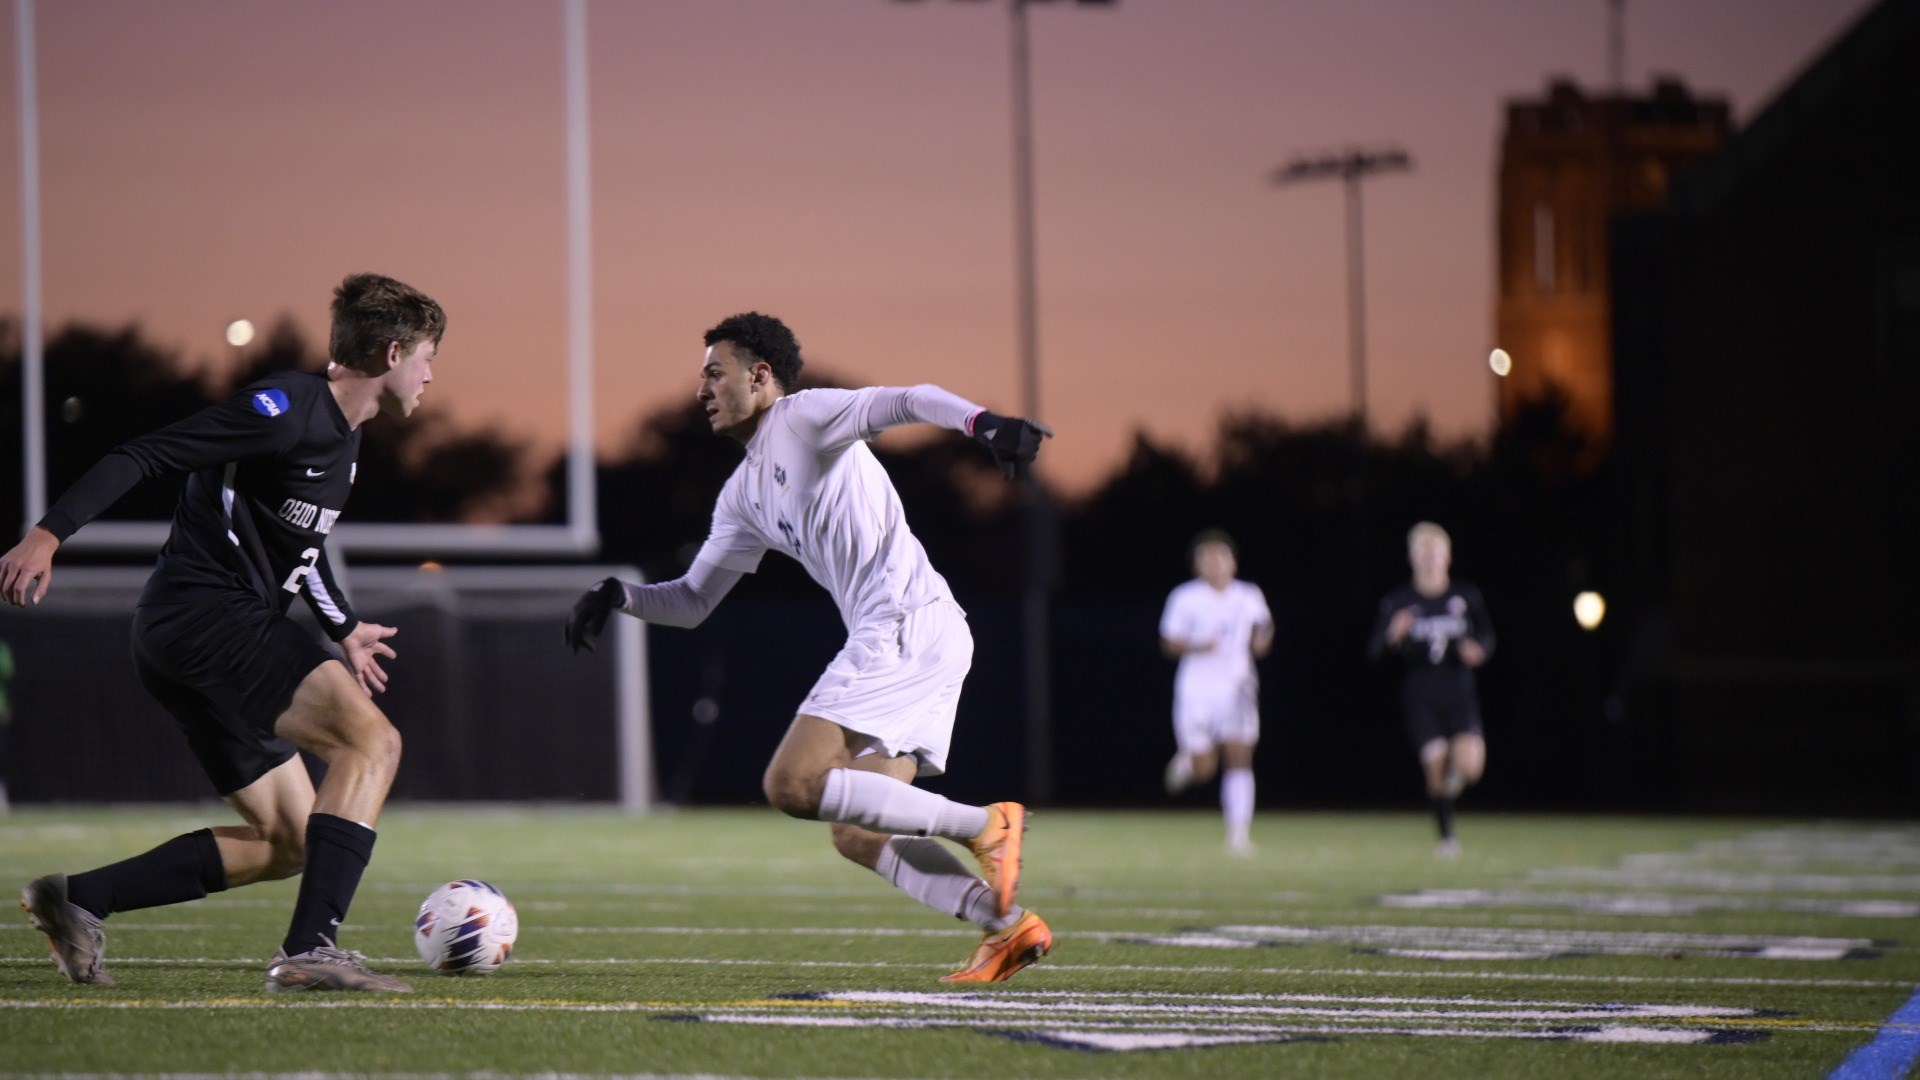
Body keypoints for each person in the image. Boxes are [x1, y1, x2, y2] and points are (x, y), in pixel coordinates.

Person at [565, 312, 1055, 984]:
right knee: (857, 830)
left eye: (716, 372)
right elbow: (693, 601)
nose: (702, 388)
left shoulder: (803, 417)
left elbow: (908, 399)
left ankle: (986, 825)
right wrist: (620, 595)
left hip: (905, 626)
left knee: (791, 783)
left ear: (760, 377)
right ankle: (1006, 927)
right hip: (920, 634)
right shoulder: (741, 495)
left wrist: (982, 423)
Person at [0, 273, 444, 991]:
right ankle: (310, 950)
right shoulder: (288, 409)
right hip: (208, 615)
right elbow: (143, 454)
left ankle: (78, 899)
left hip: (188, 634)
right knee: (373, 743)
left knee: (291, 840)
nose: (430, 374)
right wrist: (48, 534)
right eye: (428, 356)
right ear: (394, 353)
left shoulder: (344, 440)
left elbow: (306, 543)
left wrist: (344, 627)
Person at [1368, 521, 1494, 858]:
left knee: (1470, 767)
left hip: (1459, 693)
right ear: (1412, 558)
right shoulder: (1399, 600)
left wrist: (1478, 650)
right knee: (1435, 767)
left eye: (1435, 553)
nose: (1429, 560)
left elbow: (1487, 638)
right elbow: (1375, 650)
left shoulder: (1465, 596)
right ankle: (1446, 838)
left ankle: (1453, 780)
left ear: (1447, 557)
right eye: (1422, 553)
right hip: (1420, 696)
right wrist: (1393, 634)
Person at [1159, 530, 1273, 855]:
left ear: (1233, 562)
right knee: (1204, 769)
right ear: (1198, 565)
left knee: (1239, 756)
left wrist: (1262, 638)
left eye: (1222, 556)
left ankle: (1238, 836)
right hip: (1197, 690)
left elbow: (1264, 624)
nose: (1216, 563)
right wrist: (1197, 645)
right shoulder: (1185, 597)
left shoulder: (1249, 595)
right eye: (1208, 558)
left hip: (1238, 686)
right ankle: (1186, 765)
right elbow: (1168, 641)